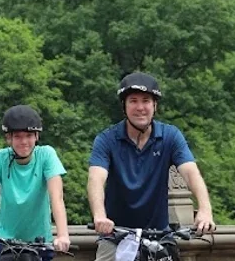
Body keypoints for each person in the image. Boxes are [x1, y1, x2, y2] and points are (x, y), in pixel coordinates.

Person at [88, 72, 216, 261]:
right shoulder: (107, 139)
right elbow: (95, 179)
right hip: (116, 234)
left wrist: (205, 210)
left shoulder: (170, 136)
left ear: (154, 105)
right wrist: (100, 216)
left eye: (146, 100)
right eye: (133, 101)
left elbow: (191, 173)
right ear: (124, 105)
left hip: (159, 236)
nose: (140, 107)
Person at [0, 106, 70, 261]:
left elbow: (56, 197)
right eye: (17, 136)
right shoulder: (0, 157)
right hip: (3, 241)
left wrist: (63, 235)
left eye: (29, 135)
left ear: (37, 136)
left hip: (39, 243)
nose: (24, 141)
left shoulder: (46, 155)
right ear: (8, 138)